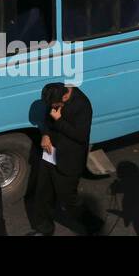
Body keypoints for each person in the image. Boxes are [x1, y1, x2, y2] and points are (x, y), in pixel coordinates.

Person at [29, 82, 105, 235]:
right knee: (43, 193)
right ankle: (44, 228)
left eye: (55, 105)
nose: (53, 108)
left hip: (69, 159)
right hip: (50, 153)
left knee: (68, 198)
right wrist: (45, 135)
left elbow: (81, 136)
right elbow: (47, 119)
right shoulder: (55, 96)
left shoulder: (82, 105)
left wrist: (59, 120)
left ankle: (93, 224)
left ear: (65, 96)